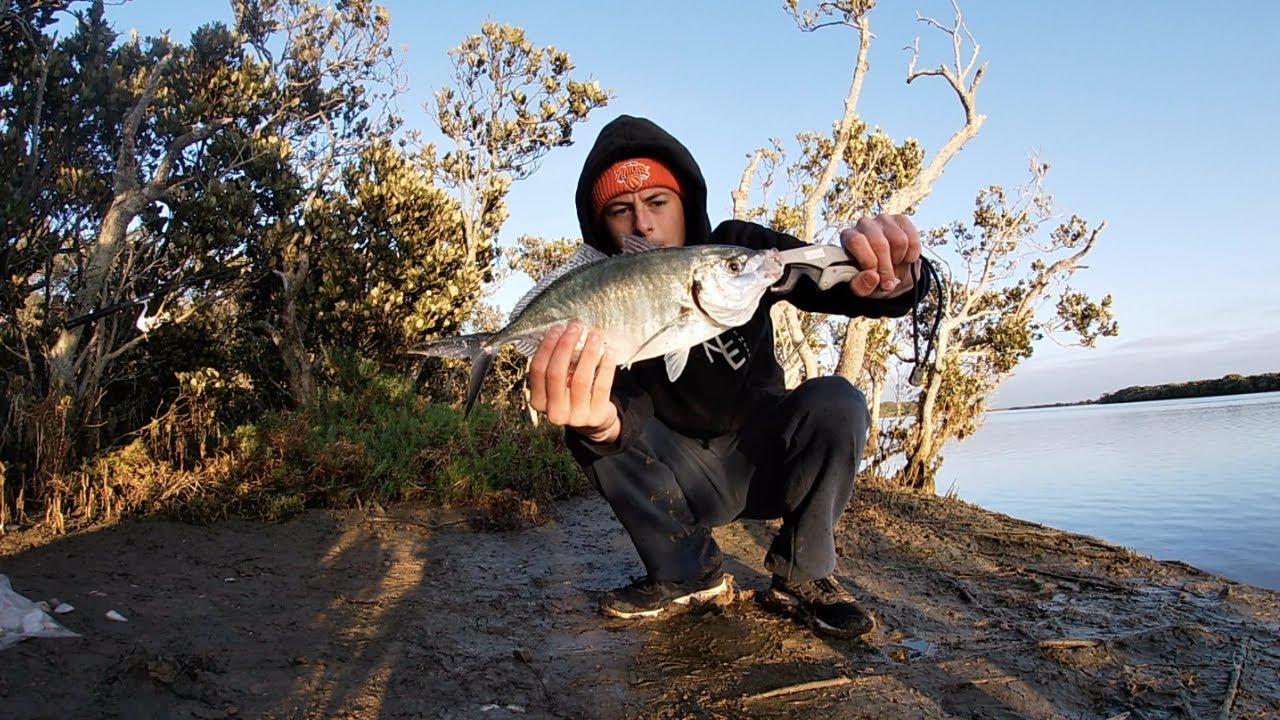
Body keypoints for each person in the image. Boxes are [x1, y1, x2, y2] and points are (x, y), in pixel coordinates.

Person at [526, 115, 930, 639]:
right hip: (681, 477)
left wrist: (896, 275)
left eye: (657, 202)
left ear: (685, 203)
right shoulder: (603, 302)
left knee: (838, 399)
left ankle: (802, 576)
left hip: (766, 464)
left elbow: (832, 278)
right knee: (587, 423)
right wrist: (599, 422)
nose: (643, 225)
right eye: (621, 210)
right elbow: (624, 417)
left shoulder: (735, 248)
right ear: (603, 228)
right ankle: (686, 573)